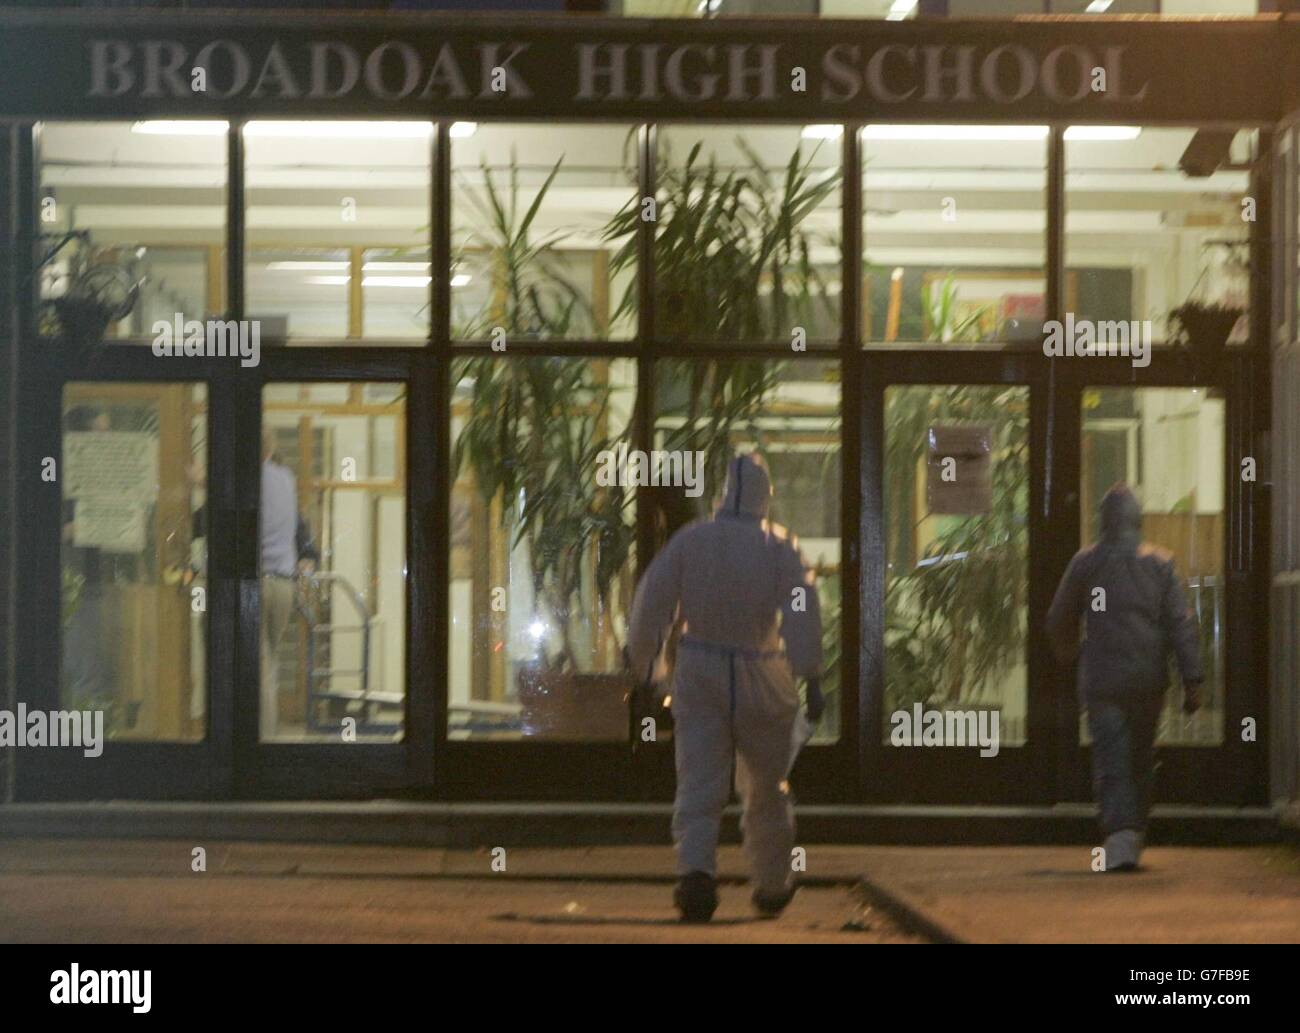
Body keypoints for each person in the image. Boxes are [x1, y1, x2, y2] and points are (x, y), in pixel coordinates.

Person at [627, 452, 824, 922]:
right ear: (766, 495)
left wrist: (645, 673)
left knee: (698, 781)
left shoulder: (691, 542)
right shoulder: (780, 547)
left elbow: (651, 606)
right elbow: (802, 611)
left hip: (701, 670)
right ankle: (772, 884)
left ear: (721, 491)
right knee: (767, 787)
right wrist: (810, 673)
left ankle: (695, 875)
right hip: (763, 671)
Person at [1046, 483, 1203, 872]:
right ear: (1138, 520)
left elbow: (1058, 617)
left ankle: (1119, 837)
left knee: (1111, 755)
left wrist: (1070, 655)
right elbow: (1180, 625)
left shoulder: (1085, 563)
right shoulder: (1161, 564)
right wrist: (1193, 679)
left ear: (1104, 521)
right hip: (1148, 678)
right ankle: (1134, 833)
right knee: (1140, 756)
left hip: (1102, 678)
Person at [259, 431, 319, 738]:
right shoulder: (286, 480)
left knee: (258, 668)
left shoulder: (247, 480)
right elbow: (301, 529)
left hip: (254, 587)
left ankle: (260, 741)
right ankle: (266, 735)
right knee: (267, 665)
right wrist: (308, 557)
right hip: (283, 585)